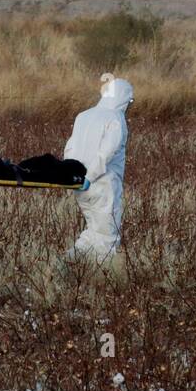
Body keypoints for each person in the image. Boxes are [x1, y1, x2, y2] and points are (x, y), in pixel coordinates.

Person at [63, 77, 133, 263]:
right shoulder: (116, 118)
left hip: (80, 186)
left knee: (92, 231)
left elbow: (70, 148)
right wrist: (91, 175)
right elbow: (106, 152)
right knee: (107, 236)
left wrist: (74, 176)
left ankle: (68, 265)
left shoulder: (83, 116)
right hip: (103, 184)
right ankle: (104, 278)